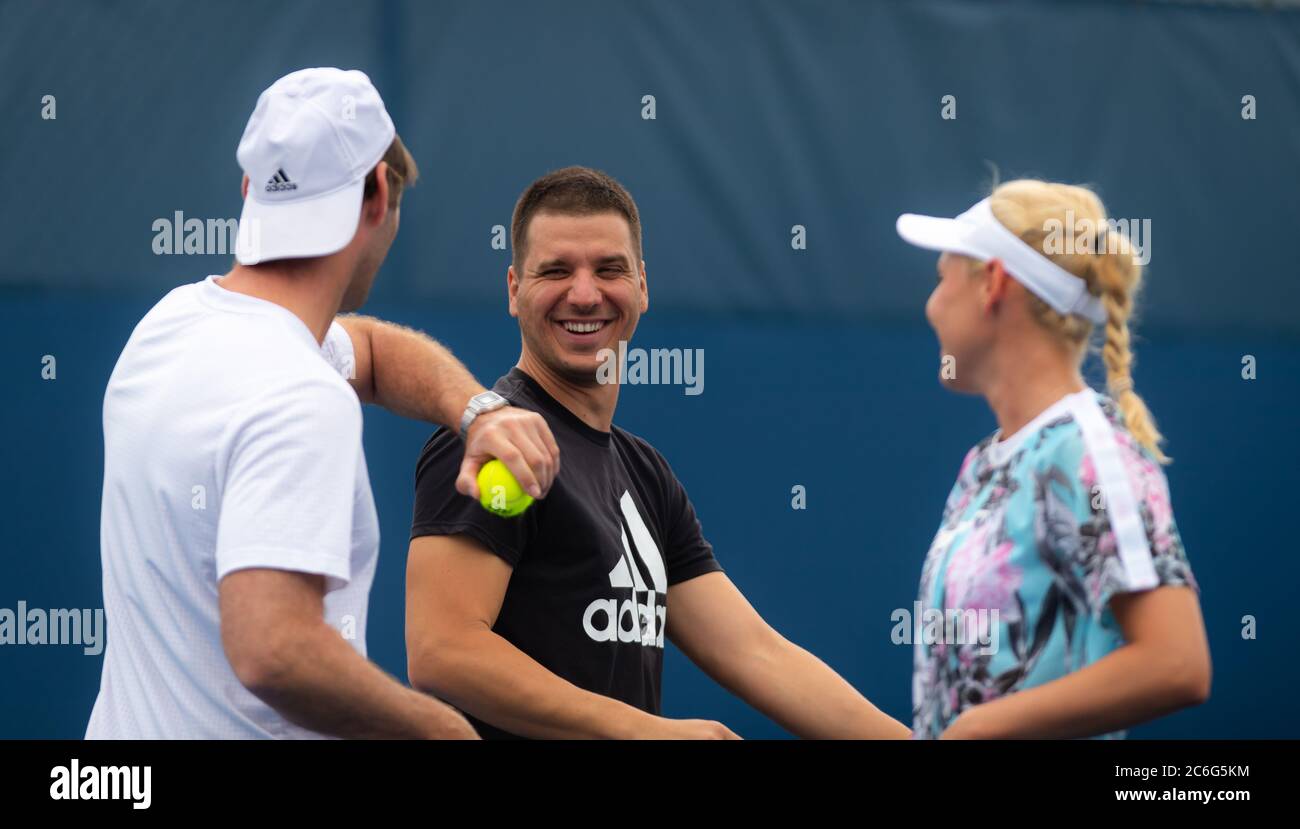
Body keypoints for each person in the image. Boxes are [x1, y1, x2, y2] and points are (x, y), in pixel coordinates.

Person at [86, 68, 558, 739]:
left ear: (251, 190)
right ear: (378, 194)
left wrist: (480, 411)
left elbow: (370, 352)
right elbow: (273, 650)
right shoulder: (303, 395)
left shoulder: (168, 326)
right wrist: (439, 731)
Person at [405, 166, 910, 739]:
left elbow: (756, 653)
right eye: (556, 271)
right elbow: (443, 650)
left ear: (642, 285)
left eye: (609, 269)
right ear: (515, 290)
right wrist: (646, 731)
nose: (585, 293)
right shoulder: (493, 440)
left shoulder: (644, 472)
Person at [895, 179, 1211, 739]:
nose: (931, 305)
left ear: (992, 282)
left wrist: (979, 728)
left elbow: (1177, 662)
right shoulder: (985, 464)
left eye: (941, 278)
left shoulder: (1090, 454)